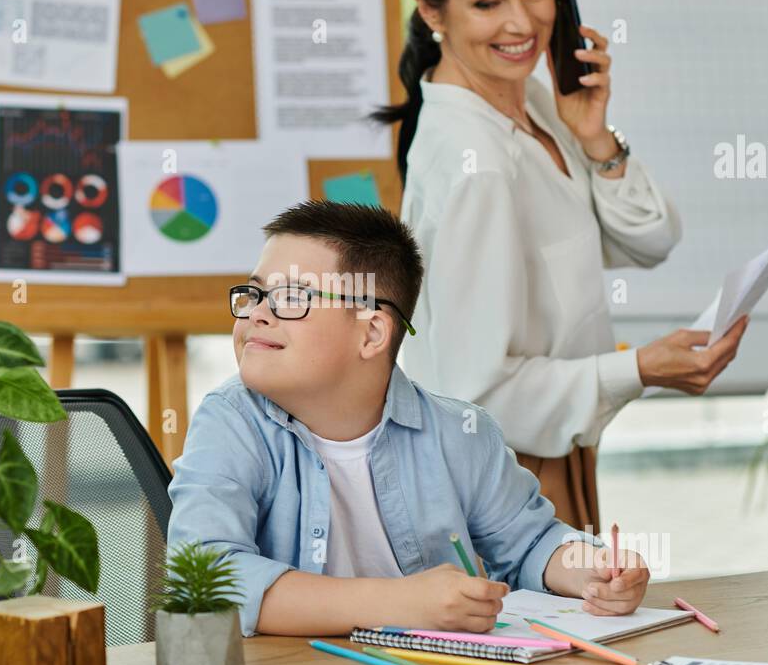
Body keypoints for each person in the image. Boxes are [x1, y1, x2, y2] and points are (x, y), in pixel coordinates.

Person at [371, 0, 748, 535]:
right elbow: (476, 397)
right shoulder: (476, 166)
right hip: (505, 480)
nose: (522, 23)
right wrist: (640, 368)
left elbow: (650, 241)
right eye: (488, 3)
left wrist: (595, 137)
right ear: (432, 12)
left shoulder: (535, 104)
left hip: (555, 459)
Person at [165, 201, 648, 637]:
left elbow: (532, 541)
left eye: (292, 297)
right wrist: (401, 602)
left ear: (372, 332)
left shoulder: (463, 434)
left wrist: (593, 568)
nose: (257, 314)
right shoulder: (229, 423)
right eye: (253, 294)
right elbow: (202, 580)